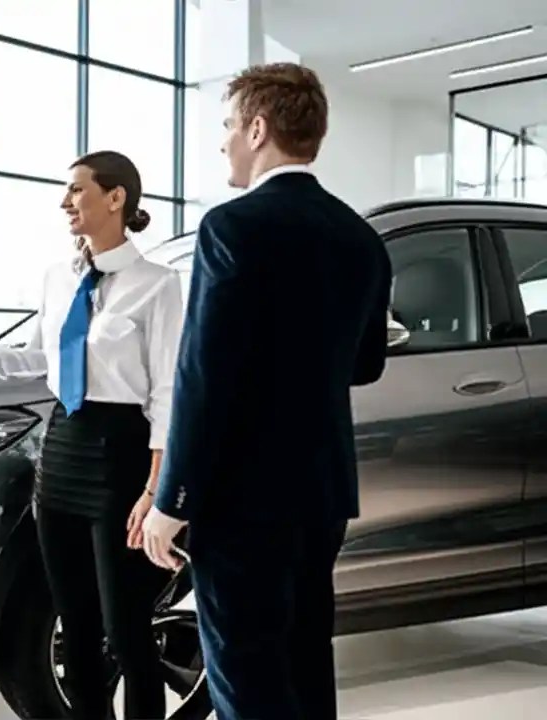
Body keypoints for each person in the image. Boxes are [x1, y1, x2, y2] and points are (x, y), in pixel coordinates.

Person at [142, 63, 391, 720]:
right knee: (306, 661)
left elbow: (204, 376)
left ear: (258, 128)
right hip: (322, 493)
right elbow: (365, 363)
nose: (223, 140)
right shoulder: (361, 238)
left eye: (228, 125)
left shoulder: (232, 228)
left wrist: (174, 500)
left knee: (245, 675)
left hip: (244, 499)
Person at [0, 151, 184, 719]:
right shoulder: (60, 278)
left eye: (76, 190)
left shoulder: (158, 285)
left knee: (126, 631)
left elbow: (169, 393)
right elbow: (42, 357)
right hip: (62, 451)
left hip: (122, 457)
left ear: (116, 198)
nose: (65, 202)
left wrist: (155, 490)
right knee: (75, 627)